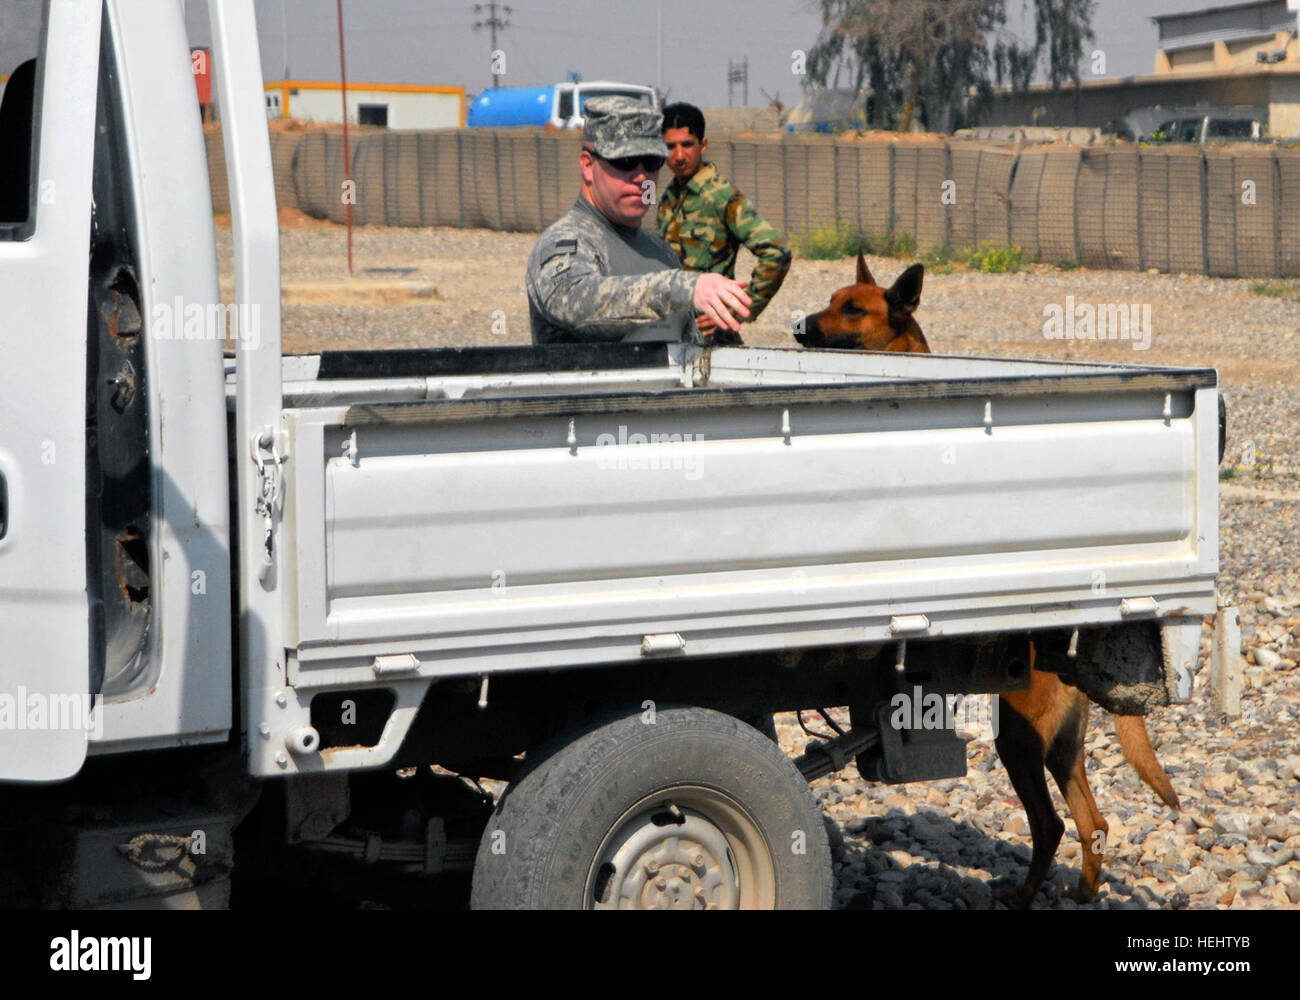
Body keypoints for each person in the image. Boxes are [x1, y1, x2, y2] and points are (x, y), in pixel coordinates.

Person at [526, 96, 751, 345]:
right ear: (588, 166)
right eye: (626, 162)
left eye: (652, 162)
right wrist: (683, 288)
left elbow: (686, 353)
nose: (641, 177)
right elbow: (573, 303)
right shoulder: (565, 242)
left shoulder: (660, 253)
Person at [657, 102, 792, 340]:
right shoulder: (669, 198)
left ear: (703, 145)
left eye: (687, 145)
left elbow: (777, 251)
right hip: (673, 337)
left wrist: (738, 309)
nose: (679, 156)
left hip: (714, 342)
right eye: (671, 147)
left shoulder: (721, 196)